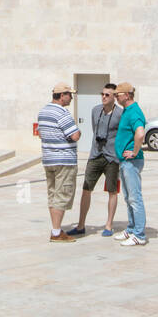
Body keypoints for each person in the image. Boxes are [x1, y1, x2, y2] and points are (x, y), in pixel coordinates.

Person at [69, 82, 123, 237]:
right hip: (95, 155)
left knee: (112, 191)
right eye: (102, 94)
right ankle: (81, 225)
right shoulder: (95, 111)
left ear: (114, 97)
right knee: (86, 189)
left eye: (107, 95)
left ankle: (109, 225)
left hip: (112, 158)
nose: (104, 97)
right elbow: (95, 129)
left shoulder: (120, 114)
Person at [38, 82, 82, 242]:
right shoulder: (62, 113)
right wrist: (79, 131)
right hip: (64, 160)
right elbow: (75, 135)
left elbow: (42, 134)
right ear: (62, 95)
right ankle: (56, 233)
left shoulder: (43, 111)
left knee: (53, 194)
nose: (71, 97)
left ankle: (56, 229)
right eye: (69, 94)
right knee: (62, 195)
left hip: (48, 159)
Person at [112, 81, 147, 247]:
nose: (116, 97)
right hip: (125, 161)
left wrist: (134, 151)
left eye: (118, 94)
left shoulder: (134, 112)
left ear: (127, 95)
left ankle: (139, 234)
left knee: (135, 197)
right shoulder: (127, 110)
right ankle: (132, 229)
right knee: (128, 197)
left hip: (131, 161)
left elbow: (140, 133)